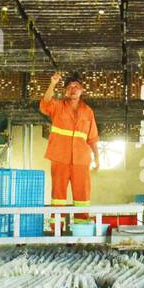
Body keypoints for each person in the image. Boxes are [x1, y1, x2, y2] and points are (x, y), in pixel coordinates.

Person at [39, 72, 100, 220]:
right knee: (58, 196)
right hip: (60, 157)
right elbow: (45, 105)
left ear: (82, 90)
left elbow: (92, 138)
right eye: (70, 87)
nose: (73, 89)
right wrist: (52, 83)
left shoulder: (88, 112)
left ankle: (82, 228)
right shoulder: (57, 106)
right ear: (65, 91)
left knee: (82, 196)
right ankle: (57, 228)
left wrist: (97, 158)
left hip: (81, 160)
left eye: (76, 86)